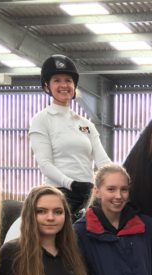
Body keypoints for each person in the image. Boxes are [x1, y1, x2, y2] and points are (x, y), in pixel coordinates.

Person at [29, 54, 111, 220]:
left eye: (68, 80)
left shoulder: (86, 124)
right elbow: (45, 164)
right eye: (57, 80)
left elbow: (103, 162)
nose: (64, 85)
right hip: (58, 193)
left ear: (74, 85)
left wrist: (120, 179)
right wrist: (71, 184)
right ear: (47, 86)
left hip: (88, 194)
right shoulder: (41, 119)